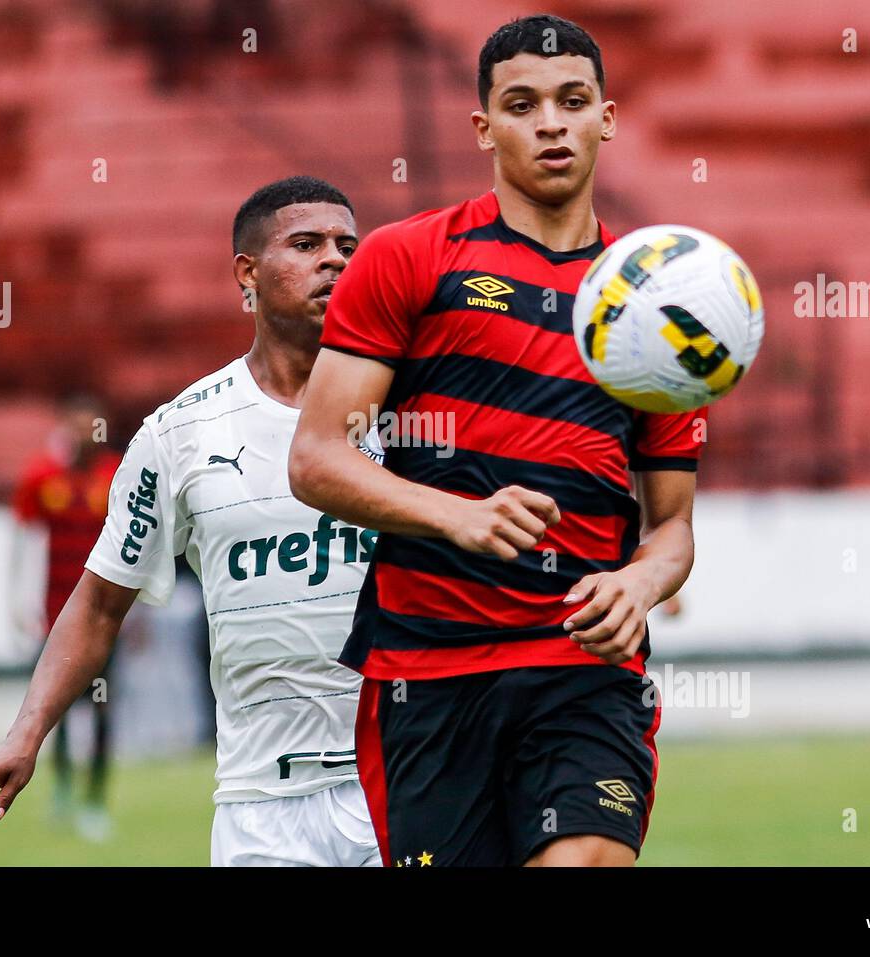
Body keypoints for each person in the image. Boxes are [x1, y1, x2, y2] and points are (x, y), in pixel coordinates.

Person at [288, 15, 706, 867]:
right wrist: (457, 517)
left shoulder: (655, 304)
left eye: (571, 101)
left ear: (606, 117)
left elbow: (673, 527)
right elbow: (317, 457)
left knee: (584, 855)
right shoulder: (410, 258)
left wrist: (639, 583)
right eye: (522, 104)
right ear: (484, 127)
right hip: (430, 674)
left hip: (581, 668)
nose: (550, 121)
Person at [0, 177, 382, 866]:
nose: (333, 260)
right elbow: (98, 604)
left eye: (346, 246)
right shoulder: (180, 431)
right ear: (246, 272)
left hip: (398, 779)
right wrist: (24, 731)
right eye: (306, 245)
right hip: (260, 809)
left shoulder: (409, 408)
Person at [10, 392, 121, 840]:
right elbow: (23, 544)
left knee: (100, 709)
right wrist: (16, 603)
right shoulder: (41, 476)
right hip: (55, 617)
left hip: (104, 618)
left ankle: (95, 800)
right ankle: (60, 790)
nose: (82, 433)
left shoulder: (118, 474)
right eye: (74, 423)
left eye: (89, 424)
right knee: (51, 705)